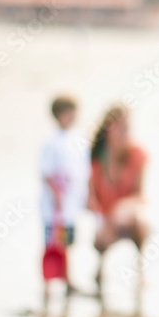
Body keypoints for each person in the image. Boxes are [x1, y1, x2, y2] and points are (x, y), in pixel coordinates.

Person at [88, 105, 149, 290]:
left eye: (127, 127)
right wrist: (106, 219)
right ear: (108, 129)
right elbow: (90, 199)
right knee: (100, 239)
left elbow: (141, 195)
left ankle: (140, 271)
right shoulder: (95, 157)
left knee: (140, 221)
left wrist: (122, 208)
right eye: (120, 127)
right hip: (105, 220)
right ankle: (99, 269)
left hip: (127, 218)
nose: (125, 132)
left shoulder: (137, 153)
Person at [39, 95, 91, 302]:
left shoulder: (78, 139)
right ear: (58, 116)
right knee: (52, 243)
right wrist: (57, 196)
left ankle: (68, 281)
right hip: (55, 206)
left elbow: (83, 171)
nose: (72, 117)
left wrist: (86, 197)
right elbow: (46, 173)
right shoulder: (51, 142)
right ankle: (47, 285)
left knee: (67, 243)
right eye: (68, 113)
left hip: (71, 205)